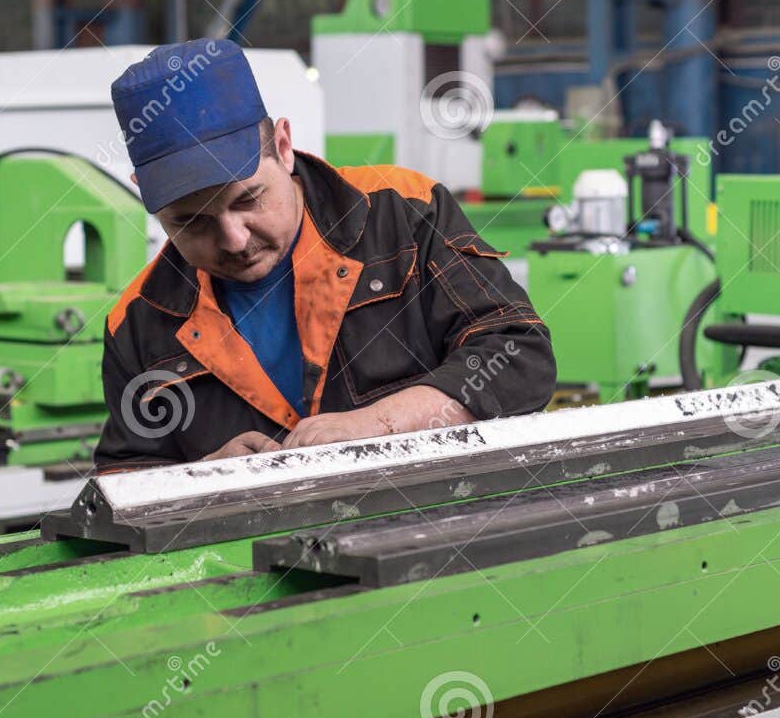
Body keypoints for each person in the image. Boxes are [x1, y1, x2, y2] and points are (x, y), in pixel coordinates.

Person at [93, 38, 554, 471]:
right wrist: (204, 478)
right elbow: (125, 481)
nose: (234, 238)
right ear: (145, 197)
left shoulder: (404, 215)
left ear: (283, 147)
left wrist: (377, 426)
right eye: (191, 222)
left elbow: (518, 356)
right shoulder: (138, 323)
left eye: (248, 200)